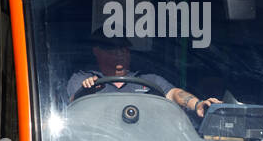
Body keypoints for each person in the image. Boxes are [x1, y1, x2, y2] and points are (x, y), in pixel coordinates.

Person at [68, 31, 219, 117]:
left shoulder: (149, 80)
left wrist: (198, 104)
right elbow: (74, 104)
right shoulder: (84, 79)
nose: (119, 53)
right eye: (112, 49)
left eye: (124, 49)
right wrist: (86, 92)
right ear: (97, 51)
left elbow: (174, 94)